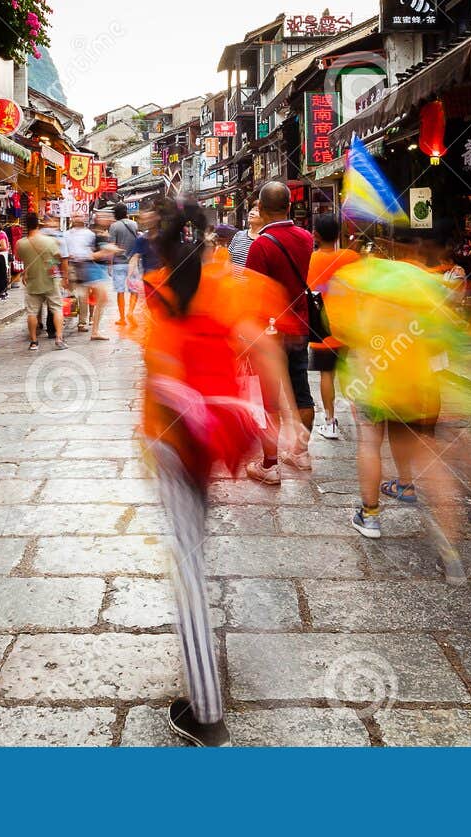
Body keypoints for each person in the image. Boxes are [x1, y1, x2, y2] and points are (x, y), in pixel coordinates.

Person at [139, 198, 290, 746]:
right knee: (193, 552)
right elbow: (265, 348)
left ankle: (207, 714)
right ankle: (204, 699)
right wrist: (285, 421)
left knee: (187, 570)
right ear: (204, 239)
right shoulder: (230, 287)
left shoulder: (159, 288)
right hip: (214, 436)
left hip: (173, 439)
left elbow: (163, 369)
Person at [328, 248, 470, 585]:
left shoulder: (362, 283)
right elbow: (449, 333)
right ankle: (450, 545)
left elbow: (343, 331)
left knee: (369, 442)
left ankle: (371, 516)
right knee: (426, 453)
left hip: (375, 378)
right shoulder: (425, 285)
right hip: (416, 381)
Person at [241, 181, 316, 479]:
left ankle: (270, 465)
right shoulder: (306, 238)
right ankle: (301, 453)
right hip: (299, 326)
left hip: (269, 331)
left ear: (260, 208)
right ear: (289, 206)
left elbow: (251, 294)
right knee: (301, 393)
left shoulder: (260, 245)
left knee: (270, 398)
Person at [306, 213, 358, 442]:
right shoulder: (351, 257)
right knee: (346, 371)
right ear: (338, 234)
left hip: (322, 326)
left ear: (316, 235)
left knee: (327, 374)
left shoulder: (310, 260)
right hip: (347, 325)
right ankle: (358, 418)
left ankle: (330, 422)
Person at [65, 211, 117, 340]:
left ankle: (88, 324)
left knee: (93, 298)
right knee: (81, 296)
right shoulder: (71, 234)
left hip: (91, 267)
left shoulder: (91, 233)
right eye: (75, 215)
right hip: (84, 267)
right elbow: (90, 254)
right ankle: (86, 325)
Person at [18, 212, 65, 351]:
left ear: (25, 226)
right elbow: (58, 258)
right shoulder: (50, 241)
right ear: (38, 224)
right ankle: (59, 339)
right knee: (57, 308)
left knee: (32, 312)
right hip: (50, 280)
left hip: (32, 281)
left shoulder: (21, 243)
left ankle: (33, 342)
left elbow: (21, 259)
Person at [108, 202, 141, 326]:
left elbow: (112, 246)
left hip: (118, 263)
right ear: (126, 212)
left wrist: (109, 265)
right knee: (134, 290)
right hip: (133, 263)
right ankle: (131, 312)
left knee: (120, 291)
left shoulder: (114, 226)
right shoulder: (134, 224)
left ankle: (122, 318)